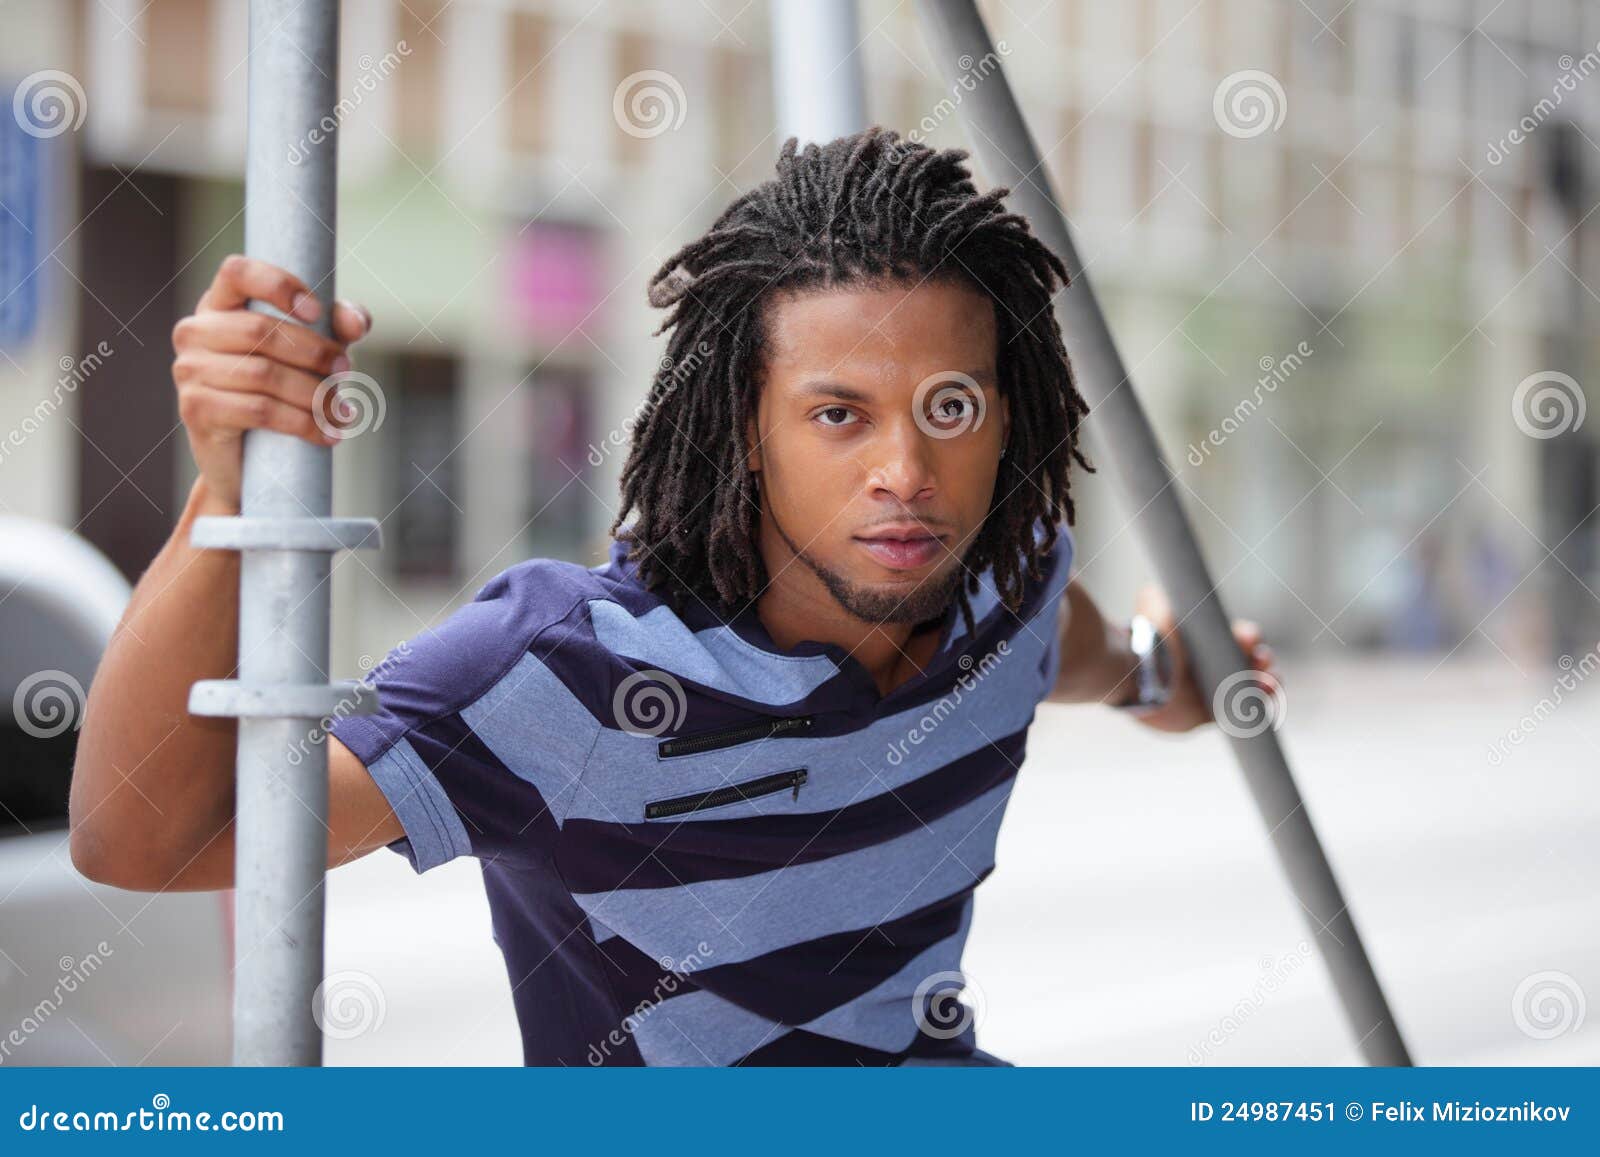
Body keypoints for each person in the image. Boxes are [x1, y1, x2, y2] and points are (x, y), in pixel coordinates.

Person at [70, 127, 1276, 1066]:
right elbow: (134, 841)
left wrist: (1192, 667)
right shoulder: (566, 671)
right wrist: (222, 493)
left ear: (1006, 418)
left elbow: (1126, 663)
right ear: (747, 434)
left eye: (950, 407)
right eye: (838, 414)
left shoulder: (1007, 594)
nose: (904, 472)